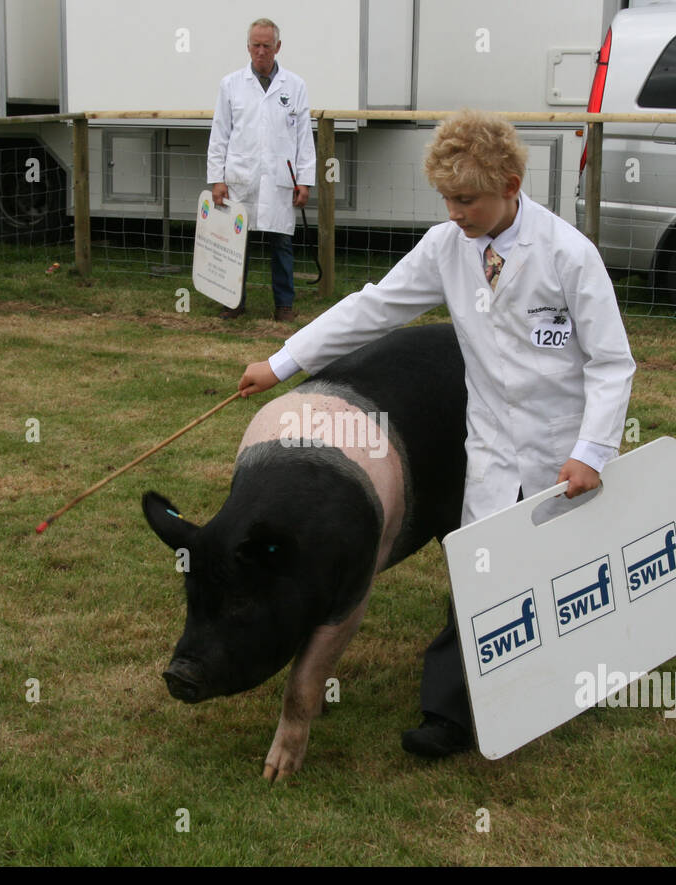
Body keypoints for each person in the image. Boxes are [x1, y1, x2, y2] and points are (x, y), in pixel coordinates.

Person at [238, 111, 636, 758]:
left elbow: (611, 363)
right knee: (479, 577)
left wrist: (590, 451)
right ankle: (449, 713)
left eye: (467, 199)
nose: (454, 211)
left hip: (560, 452)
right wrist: (284, 362)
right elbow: (373, 306)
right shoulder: (446, 247)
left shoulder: (568, 255)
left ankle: (562, 686)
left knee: (556, 575)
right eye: (446, 198)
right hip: (489, 448)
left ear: (510, 184)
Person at [206, 18, 316, 322]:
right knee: (236, 243)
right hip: (241, 177)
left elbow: (304, 137)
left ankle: (284, 305)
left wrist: (304, 180)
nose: (261, 51)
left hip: (280, 180)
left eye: (267, 45)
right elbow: (220, 134)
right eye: (256, 45)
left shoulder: (295, 86)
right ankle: (233, 302)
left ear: (278, 47)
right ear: (248, 46)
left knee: (281, 243)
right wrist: (217, 179)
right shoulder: (230, 85)